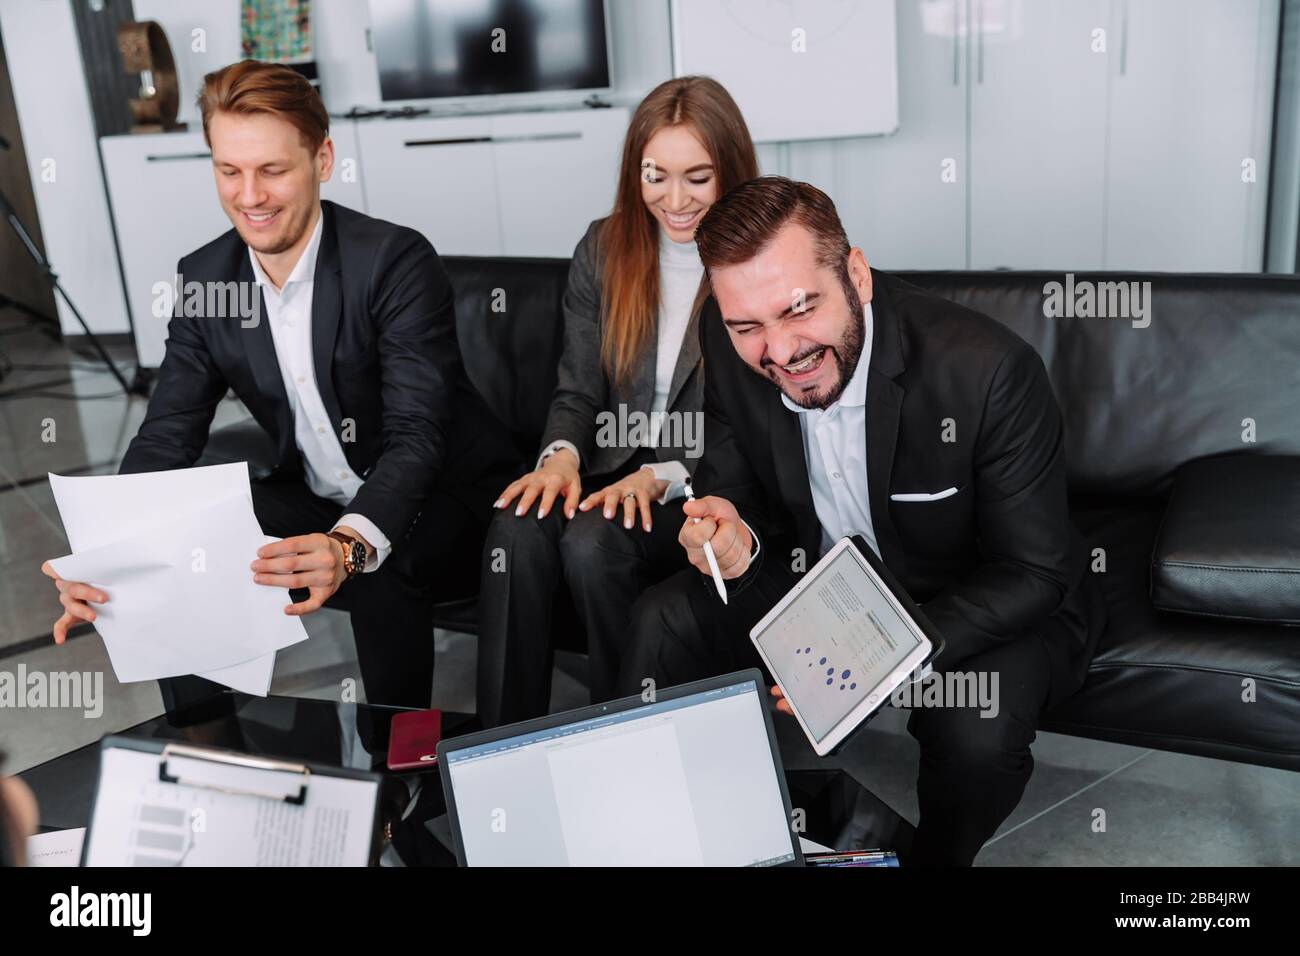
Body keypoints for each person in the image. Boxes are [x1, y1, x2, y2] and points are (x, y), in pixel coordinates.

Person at [620, 176, 1106, 866]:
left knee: (976, 732)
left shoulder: (989, 370)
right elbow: (736, 484)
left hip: (973, 596)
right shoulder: (723, 336)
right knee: (663, 620)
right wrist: (733, 530)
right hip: (820, 581)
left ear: (856, 274)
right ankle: (666, 836)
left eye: (799, 310)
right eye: (748, 326)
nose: (780, 352)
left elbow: (1033, 572)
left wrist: (879, 660)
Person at [40, 60, 515, 710]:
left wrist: (348, 544)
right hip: (318, 487)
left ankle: (400, 775)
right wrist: (107, 557)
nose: (249, 195)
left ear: (322, 159)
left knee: (378, 565)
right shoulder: (208, 277)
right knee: (180, 535)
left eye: (272, 170)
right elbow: (167, 432)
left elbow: (416, 437)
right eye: (228, 170)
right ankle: (208, 747)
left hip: (446, 495)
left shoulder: (394, 261)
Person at [476, 76, 759, 727]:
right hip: (606, 469)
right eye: (656, 175)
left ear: (731, 172)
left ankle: (623, 729)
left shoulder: (754, 258)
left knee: (592, 542)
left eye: (699, 177)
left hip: (700, 482)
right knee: (515, 527)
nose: (675, 199)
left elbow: (749, 423)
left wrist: (658, 475)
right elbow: (577, 387)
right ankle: (502, 739)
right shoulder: (604, 249)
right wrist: (560, 458)